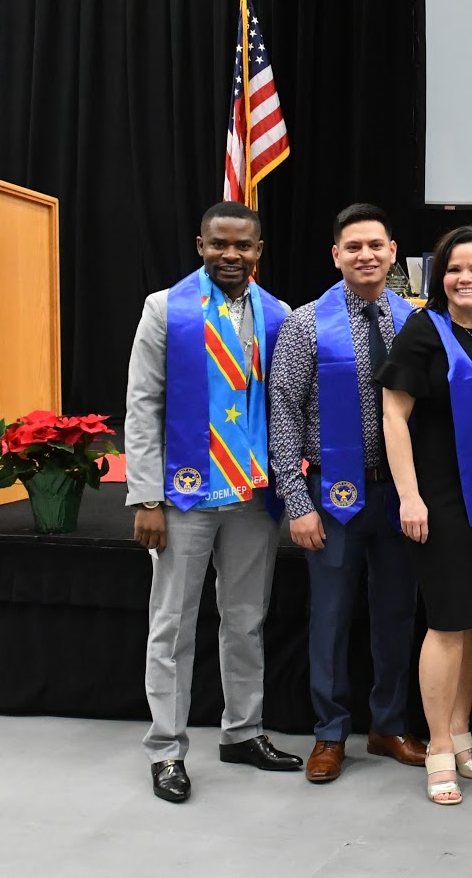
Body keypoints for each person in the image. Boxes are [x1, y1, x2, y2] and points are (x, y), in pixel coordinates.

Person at [125, 200, 303, 803]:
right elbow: (143, 405)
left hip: (254, 496)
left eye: (244, 246)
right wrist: (146, 495)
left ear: (259, 249)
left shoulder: (278, 314)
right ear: (200, 244)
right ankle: (167, 749)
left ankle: (243, 731)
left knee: (246, 620)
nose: (232, 255)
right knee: (171, 624)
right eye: (219, 244)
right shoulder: (164, 309)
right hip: (184, 496)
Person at [267, 203, 427, 784]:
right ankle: (330, 733)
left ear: (392, 252)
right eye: (353, 246)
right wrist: (297, 501)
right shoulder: (305, 323)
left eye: (376, 246)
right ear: (336, 255)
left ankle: (389, 725)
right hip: (329, 501)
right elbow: (281, 412)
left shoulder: (416, 320)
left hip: (396, 499)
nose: (365, 255)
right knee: (330, 619)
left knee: (396, 616)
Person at [377, 225, 472, 805]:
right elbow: (393, 416)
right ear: (440, 276)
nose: (464, 279)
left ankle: (460, 732)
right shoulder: (423, 331)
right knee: (448, 621)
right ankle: (435, 746)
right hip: (439, 501)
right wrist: (409, 496)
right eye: (454, 268)